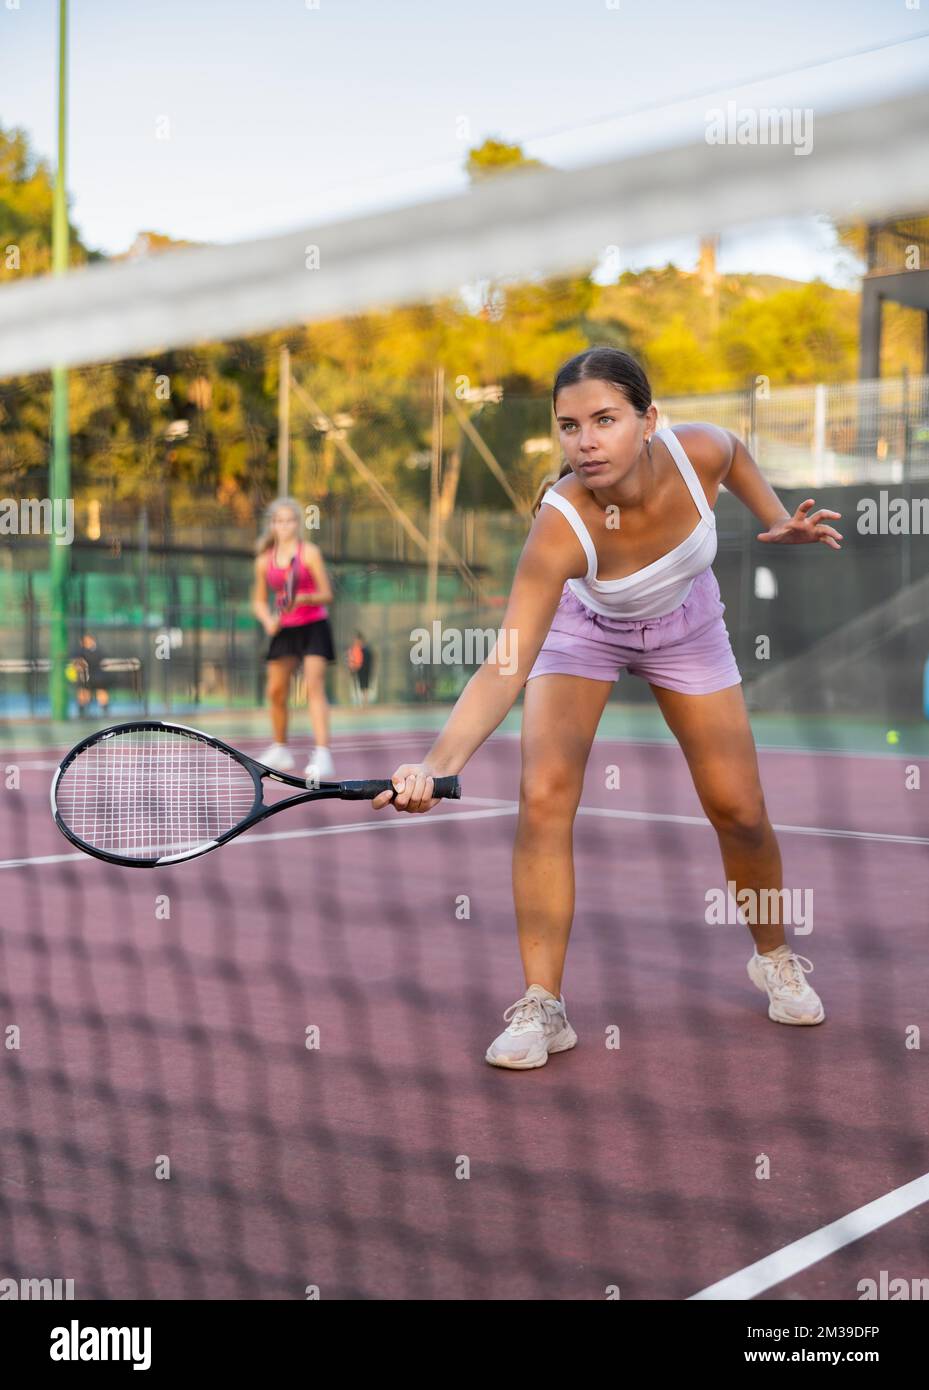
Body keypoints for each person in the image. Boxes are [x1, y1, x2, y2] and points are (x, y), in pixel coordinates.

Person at [371, 347, 843, 1068]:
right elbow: (506, 663)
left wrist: (775, 517)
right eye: (568, 426)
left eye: (603, 420)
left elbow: (739, 455)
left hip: (688, 627)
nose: (584, 441)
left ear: (647, 420)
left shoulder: (698, 451)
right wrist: (437, 765)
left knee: (739, 809)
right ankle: (542, 1004)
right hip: (580, 632)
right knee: (543, 794)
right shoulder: (560, 525)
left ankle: (773, 955)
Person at [252, 497, 337, 780]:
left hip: (314, 624)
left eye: (290, 520)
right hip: (285, 629)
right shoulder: (264, 561)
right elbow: (259, 601)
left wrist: (303, 598)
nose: (284, 525)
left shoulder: (309, 553)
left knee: (314, 686)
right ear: (272, 525)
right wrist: (268, 621)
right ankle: (280, 748)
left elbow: (327, 594)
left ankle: (323, 754)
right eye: (279, 520)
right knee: (275, 691)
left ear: (298, 524)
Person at [69, 632, 110, 715]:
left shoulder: (98, 651)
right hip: (84, 678)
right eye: (84, 640)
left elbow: (101, 660)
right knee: (83, 692)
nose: (86, 642)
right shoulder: (78, 651)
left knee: (101, 692)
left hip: (98, 677)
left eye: (88, 640)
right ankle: (82, 712)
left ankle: (105, 710)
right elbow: (74, 662)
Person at [346, 630, 375, 707]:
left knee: (364, 687)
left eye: (357, 639)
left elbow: (370, 661)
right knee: (357, 687)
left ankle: (364, 703)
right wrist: (352, 667)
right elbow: (351, 660)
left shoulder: (366, 650)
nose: (355, 641)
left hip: (365, 671)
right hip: (357, 671)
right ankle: (358, 703)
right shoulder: (354, 650)